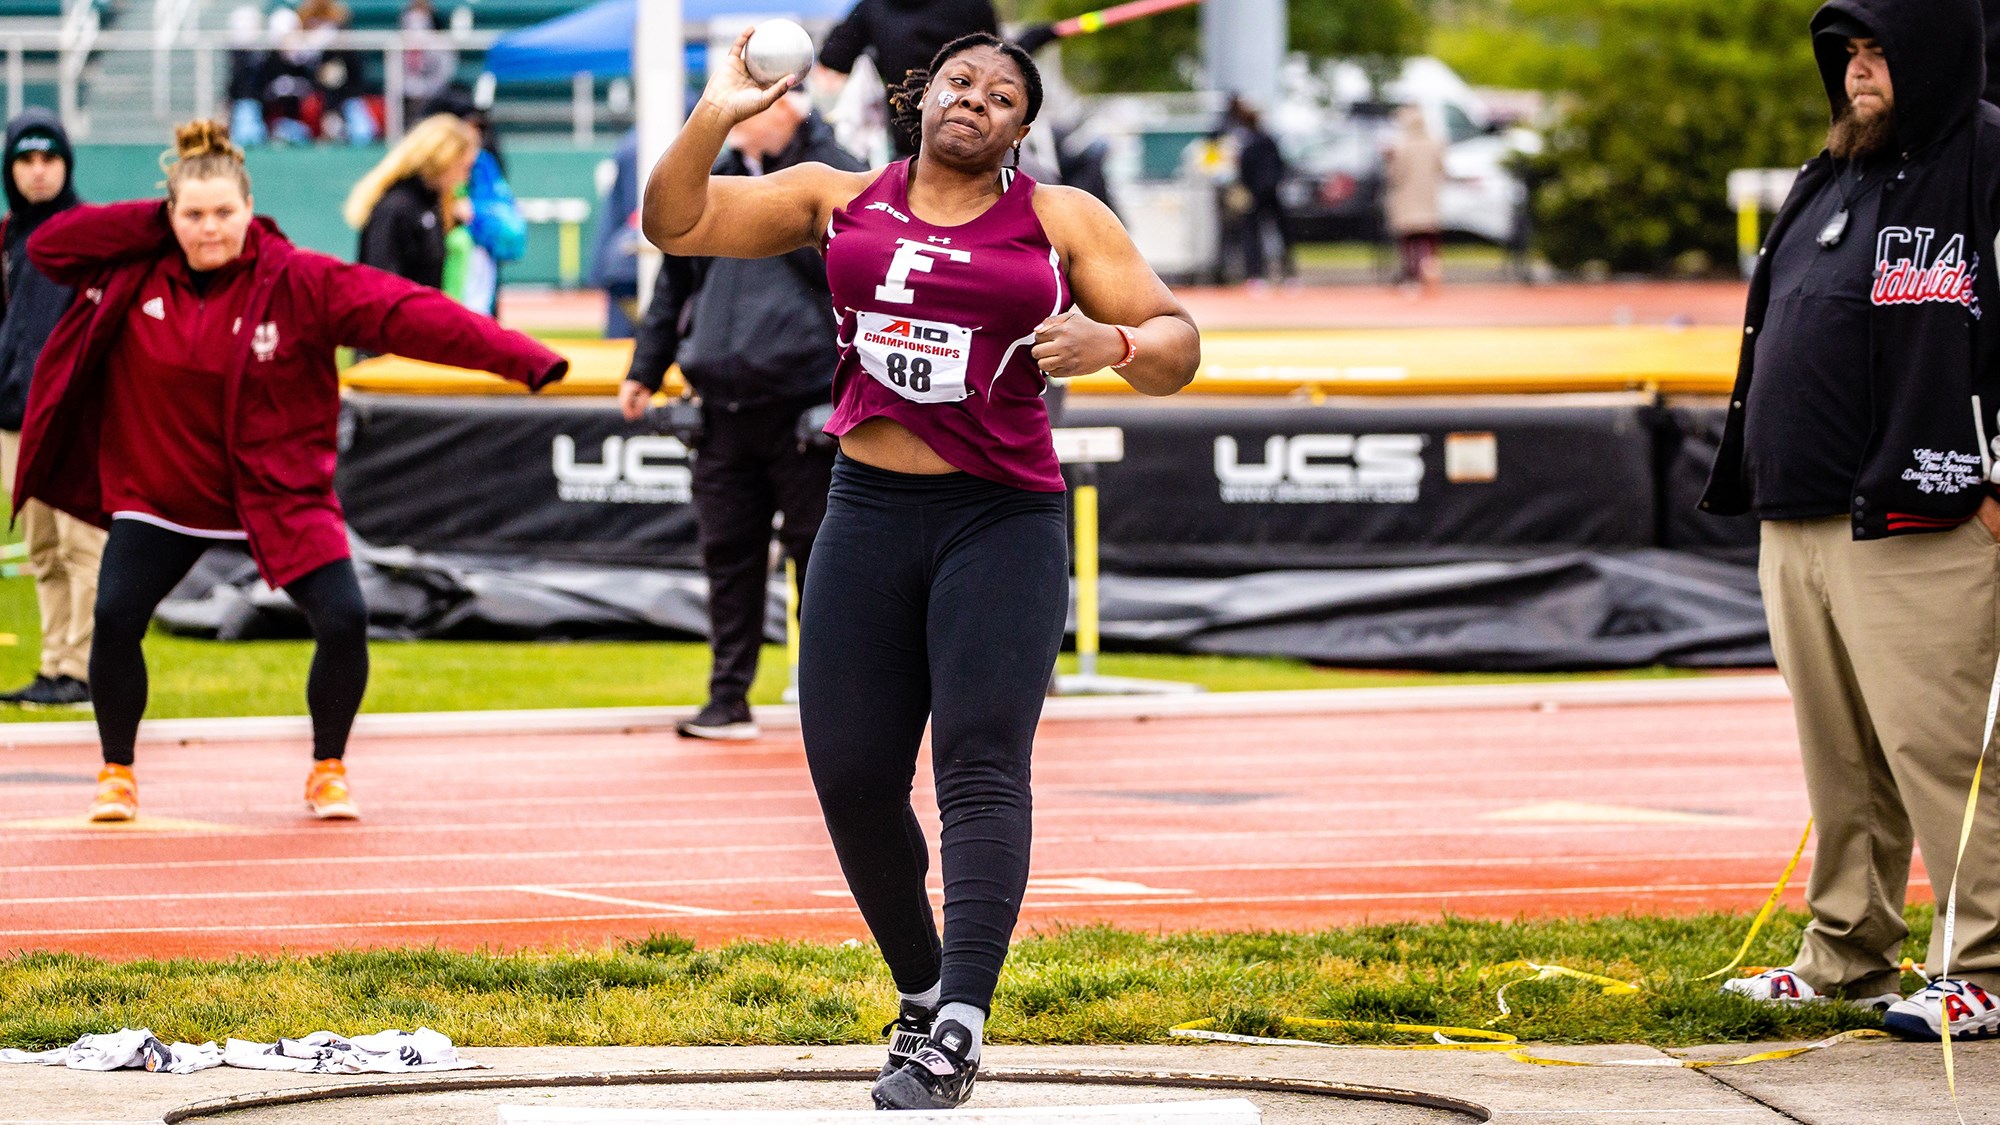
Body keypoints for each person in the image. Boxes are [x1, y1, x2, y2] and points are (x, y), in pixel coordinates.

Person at [645, 30, 1199, 1109]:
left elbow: (1179, 340)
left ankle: (960, 1021)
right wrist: (717, 106)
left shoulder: (1060, 220)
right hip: (864, 509)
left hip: (1000, 519)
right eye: (959, 83)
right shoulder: (831, 198)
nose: (974, 102)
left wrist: (1117, 348)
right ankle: (917, 987)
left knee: (979, 767)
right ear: (919, 97)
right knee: (850, 777)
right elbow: (675, 221)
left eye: (1001, 96)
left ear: (1019, 130)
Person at [12, 120, 566, 824]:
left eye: (223, 213)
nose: (210, 230)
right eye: (192, 215)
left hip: (275, 493)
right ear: (168, 216)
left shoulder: (298, 280)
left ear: (251, 210)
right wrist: (158, 220)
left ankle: (328, 767)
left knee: (345, 618)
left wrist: (521, 357)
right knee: (116, 616)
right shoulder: (134, 270)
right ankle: (116, 770)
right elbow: (49, 246)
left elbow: (408, 312)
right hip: (160, 494)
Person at [1701, 0, 2000, 1042]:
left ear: (1927, 53)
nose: (1857, 70)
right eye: (1846, 54)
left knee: (1945, 754)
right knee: (1840, 760)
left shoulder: (1985, 157)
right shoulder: (1833, 168)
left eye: (1876, 50)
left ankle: (1985, 967)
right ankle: (1846, 951)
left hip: (1928, 514)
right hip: (1799, 516)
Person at [619, 90, 864, 742]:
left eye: (765, 101)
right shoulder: (715, 176)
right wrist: (646, 369)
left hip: (805, 408)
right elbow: (673, 285)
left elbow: (860, 284)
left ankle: (836, 706)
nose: (744, 114)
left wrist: (793, 192)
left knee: (822, 560)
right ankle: (727, 698)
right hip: (721, 407)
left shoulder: (838, 171)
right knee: (728, 555)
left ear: (793, 109)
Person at [0, 110, 99, 709]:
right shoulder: (7, 237)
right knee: (41, 549)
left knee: (82, 544)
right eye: (26, 160)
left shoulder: (89, 231)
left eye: (50, 159)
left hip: (73, 417)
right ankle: (53, 663)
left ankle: (85, 670)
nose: (39, 172)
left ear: (67, 164)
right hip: (15, 419)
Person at [814, 0, 998, 159]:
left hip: (906, 140)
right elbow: (997, 60)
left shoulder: (876, 6)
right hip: (970, 138)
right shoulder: (972, 5)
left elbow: (833, 57)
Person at [344, 113, 480, 291]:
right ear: (444, 160)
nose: (466, 177)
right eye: (464, 167)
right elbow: (381, 284)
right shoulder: (395, 209)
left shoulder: (430, 205)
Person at [1217, 96, 1293, 289]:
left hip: (1259, 193)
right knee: (1267, 233)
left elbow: (1247, 169)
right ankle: (1277, 274)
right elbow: (1278, 166)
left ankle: (1262, 274)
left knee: (1258, 234)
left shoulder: (1249, 142)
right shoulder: (1256, 140)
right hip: (1265, 192)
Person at [1383, 104, 1446, 294]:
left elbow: (1395, 176)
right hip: (1428, 199)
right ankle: (1430, 269)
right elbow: (1441, 169)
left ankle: (1412, 275)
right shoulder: (1435, 143)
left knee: (1409, 240)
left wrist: (1390, 161)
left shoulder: (1402, 147)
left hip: (1407, 200)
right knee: (1428, 238)